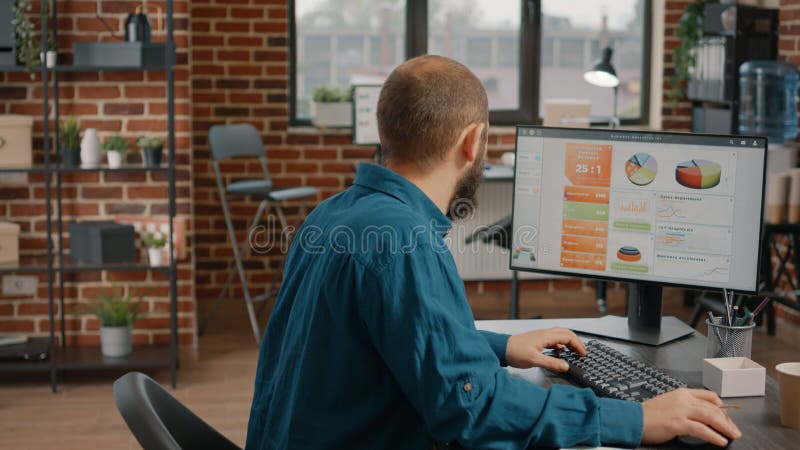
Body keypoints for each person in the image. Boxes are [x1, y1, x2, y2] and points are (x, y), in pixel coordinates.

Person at [245, 55, 742, 449]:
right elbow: (473, 408)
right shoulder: (405, 242)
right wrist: (635, 418)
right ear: (472, 141)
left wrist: (501, 347)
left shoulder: (331, 215)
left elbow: (393, 336)